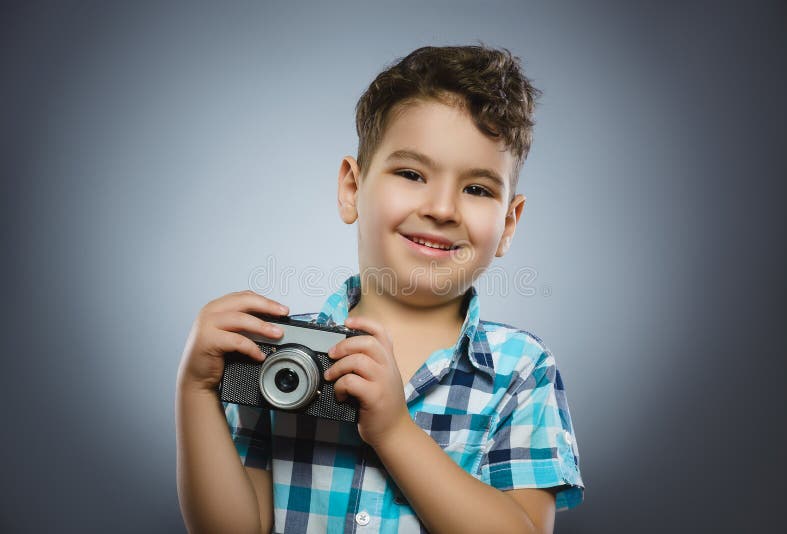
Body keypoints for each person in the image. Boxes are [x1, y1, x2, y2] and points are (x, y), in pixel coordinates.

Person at [176, 44, 584, 534]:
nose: (441, 208)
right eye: (411, 174)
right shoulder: (281, 354)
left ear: (509, 223)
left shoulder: (521, 369)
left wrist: (394, 431)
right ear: (352, 187)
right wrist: (195, 390)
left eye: (476, 189)